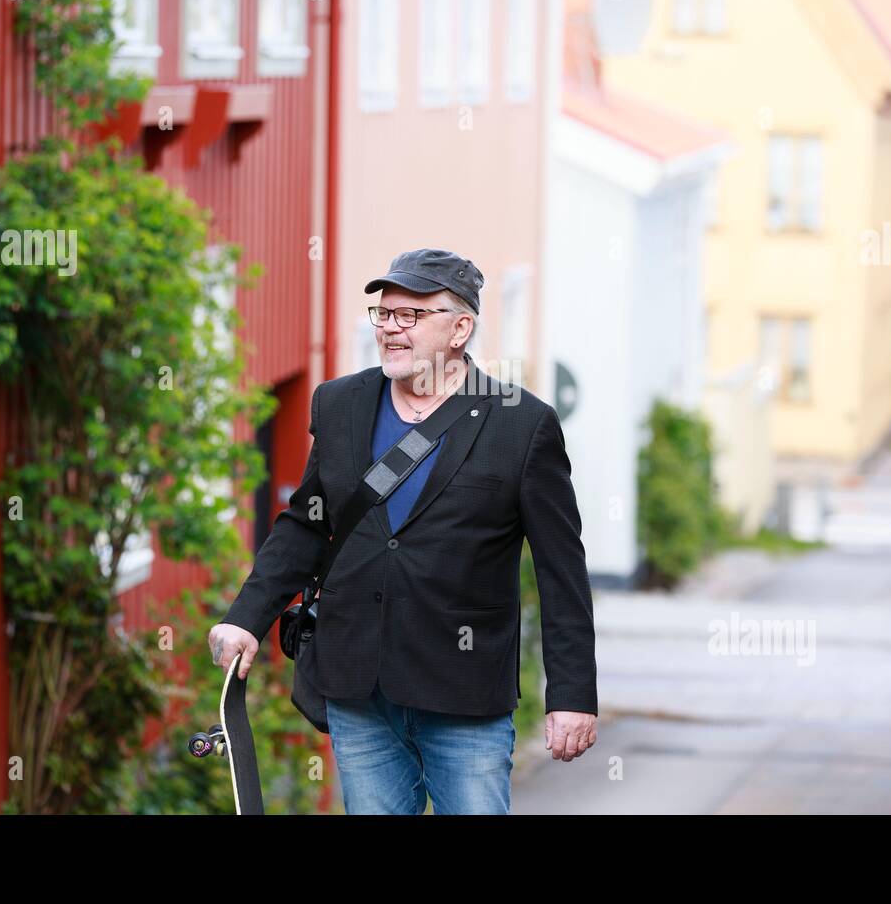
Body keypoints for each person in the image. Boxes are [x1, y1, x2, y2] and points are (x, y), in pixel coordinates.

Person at [208, 248, 598, 814]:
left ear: (460, 327)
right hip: (357, 684)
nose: (390, 328)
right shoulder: (341, 403)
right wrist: (246, 618)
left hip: (464, 692)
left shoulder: (522, 424)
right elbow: (307, 523)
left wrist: (571, 695)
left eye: (410, 315)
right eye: (383, 314)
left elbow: (562, 571)